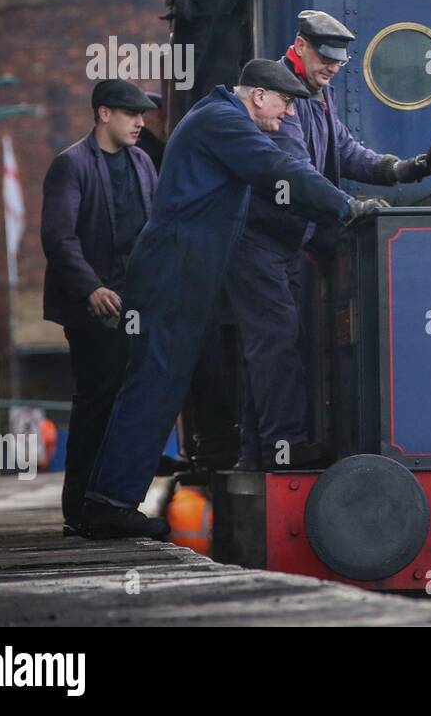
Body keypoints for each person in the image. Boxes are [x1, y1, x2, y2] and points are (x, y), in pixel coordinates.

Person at [79, 59, 381, 539]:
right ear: (259, 95)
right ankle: (110, 504)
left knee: (157, 382)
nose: (283, 118)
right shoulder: (223, 121)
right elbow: (277, 167)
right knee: (155, 383)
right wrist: (346, 205)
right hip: (173, 270)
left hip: (182, 270)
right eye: (282, 106)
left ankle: (102, 502)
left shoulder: (216, 117)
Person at [227, 10, 431, 471]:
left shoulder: (318, 94)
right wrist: (349, 205)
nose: (332, 66)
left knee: (271, 344)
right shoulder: (281, 95)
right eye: (325, 57)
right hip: (260, 241)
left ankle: (258, 451)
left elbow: (343, 149)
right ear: (300, 45)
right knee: (277, 341)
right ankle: (281, 450)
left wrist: (401, 168)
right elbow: (297, 169)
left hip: (283, 242)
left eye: (339, 61)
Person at [41, 79, 158, 532]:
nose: (141, 122)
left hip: (137, 303)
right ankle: (81, 511)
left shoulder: (144, 162)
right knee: (96, 402)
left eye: (143, 114)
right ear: (104, 114)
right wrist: (91, 288)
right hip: (92, 309)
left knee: (130, 403)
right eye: (132, 114)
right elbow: (58, 237)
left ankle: (111, 505)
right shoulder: (70, 165)